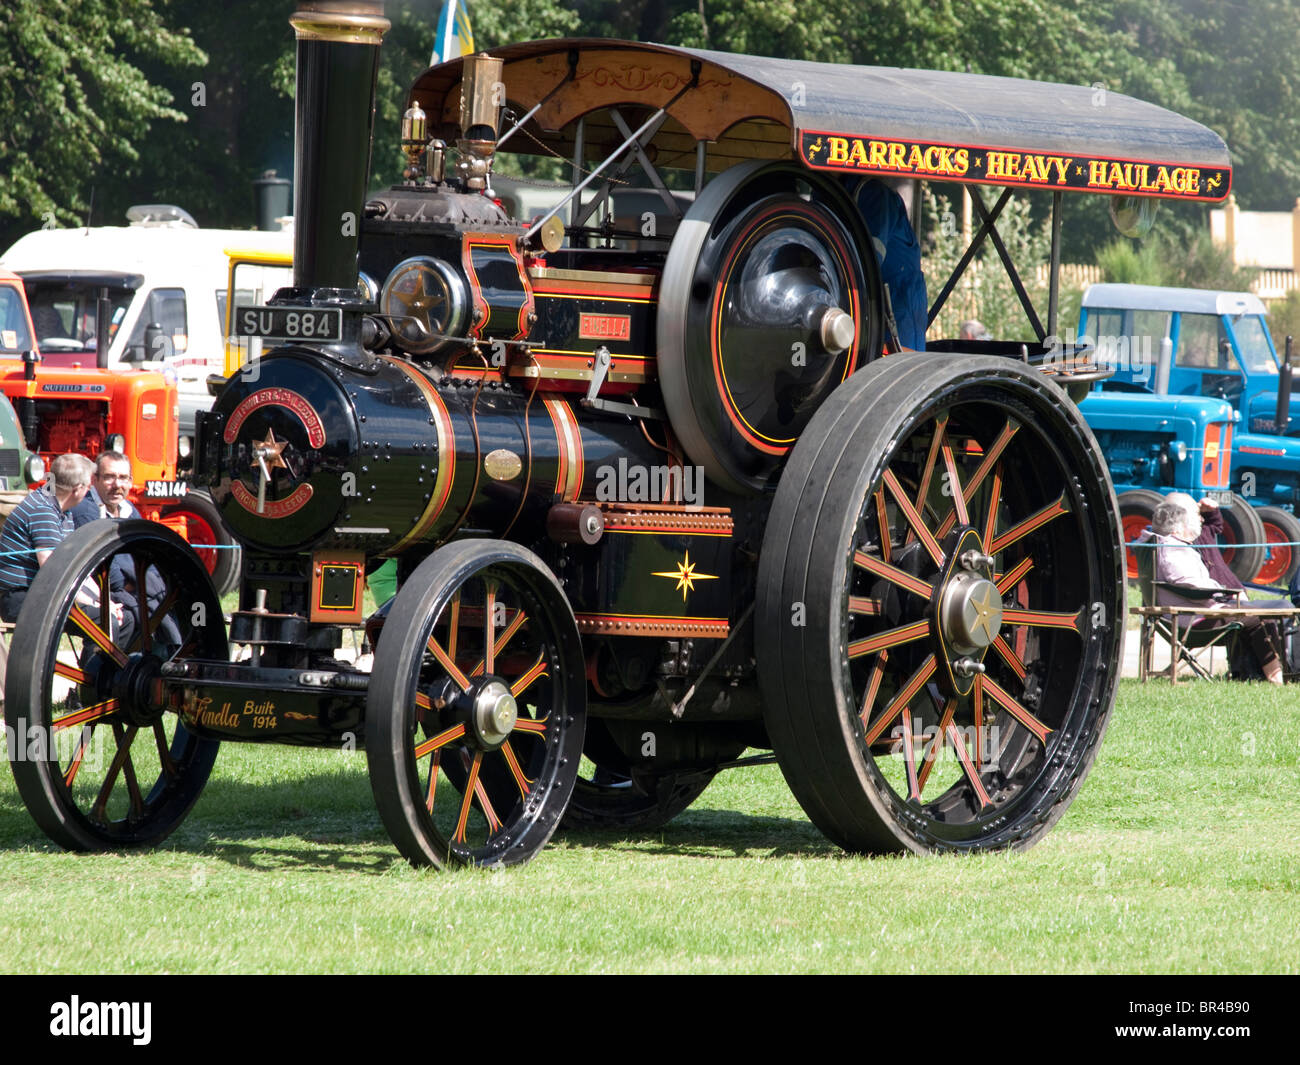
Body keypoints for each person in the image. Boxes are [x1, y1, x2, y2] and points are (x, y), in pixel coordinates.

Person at [1145, 492, 1290, 684]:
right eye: (1193, 517)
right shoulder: (1173, 549)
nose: (1198, 521)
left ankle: (1262, 674)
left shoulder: (1170, 545)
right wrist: (1223, 594)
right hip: (1192, 618)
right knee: (1256, 617)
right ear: (1177, 529)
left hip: (1193, 612)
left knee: (1261, 613)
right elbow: (1190, 584)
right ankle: (1276, 678)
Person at [0, 454, 96, 621]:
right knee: (102, 619)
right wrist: (92, 604)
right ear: (78, 488)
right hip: (20, 597)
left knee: (119, 618)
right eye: (89, 486)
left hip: (42, 592)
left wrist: (103, 600)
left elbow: (73, 564)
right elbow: (53, 571)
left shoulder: (62, 511)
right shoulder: (42, 510)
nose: (89, 490)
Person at [844, 178, 927, 352]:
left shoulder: (874, 194)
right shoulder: (827, 193)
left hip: (896, 303)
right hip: (868, 305)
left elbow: (868, 260)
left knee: (901, 369)